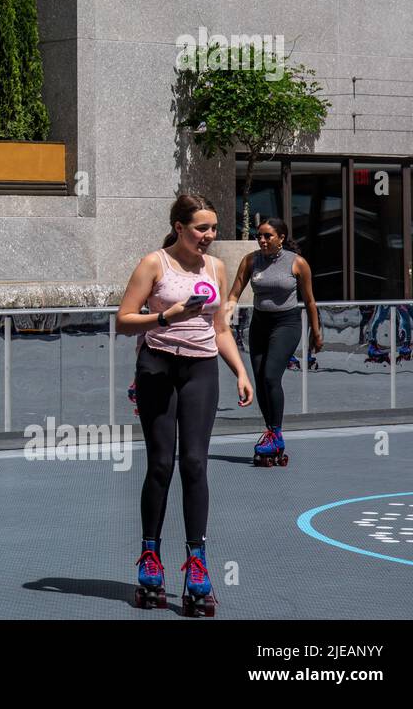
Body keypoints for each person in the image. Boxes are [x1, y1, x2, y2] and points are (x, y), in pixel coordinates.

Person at [116, 194, 253, 616]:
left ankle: (197, 561)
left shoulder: (216, 268)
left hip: (201, 370)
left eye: (213, 229)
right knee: (161, 463)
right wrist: (167, 316)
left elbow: (220, 329)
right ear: (179, 227)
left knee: (195, 463)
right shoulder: (154, 263)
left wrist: (240, 371)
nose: (209, 237)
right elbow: (123, 320)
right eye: (201, 229)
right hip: (157, 367)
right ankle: (151, 555)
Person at [223, 219, 321, 468]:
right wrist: (225, 315)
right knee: (258, 378)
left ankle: (275, 432)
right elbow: (234, 293)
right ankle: (272, 433)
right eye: (259, 236)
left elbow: (309, 301)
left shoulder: (297, 263)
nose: (262, 240)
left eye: (268, 236)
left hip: (286, 324)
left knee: (270, 376)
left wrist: (316, 332)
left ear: (281, 237)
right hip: (260, 325)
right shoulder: (250, 260)